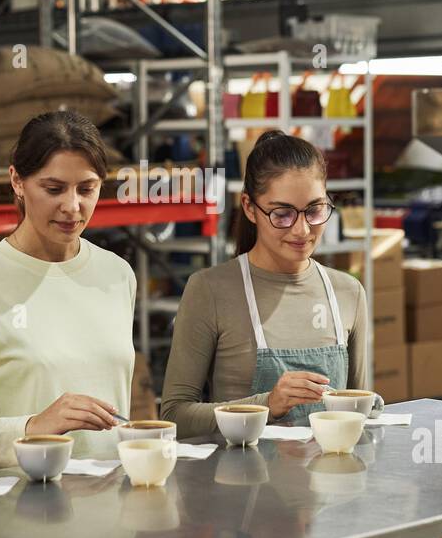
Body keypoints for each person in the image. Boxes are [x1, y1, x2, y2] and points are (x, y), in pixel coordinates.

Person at [0, 111, 134, 469]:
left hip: (112, 508)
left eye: (87, 188)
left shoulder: (117, 275)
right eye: (53, 189)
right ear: (17, 181)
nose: (72, 206)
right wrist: (32, 427)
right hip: (24, 511)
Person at [160, 130, 374, 436]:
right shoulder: (211, 290)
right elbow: (174, 416)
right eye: (283, 214)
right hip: (242, 480)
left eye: (314, 210)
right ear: (249, 207)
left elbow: (360, 409)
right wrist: (267, 405)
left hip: (330, 479)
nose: (301, 230)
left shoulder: (348, 293)